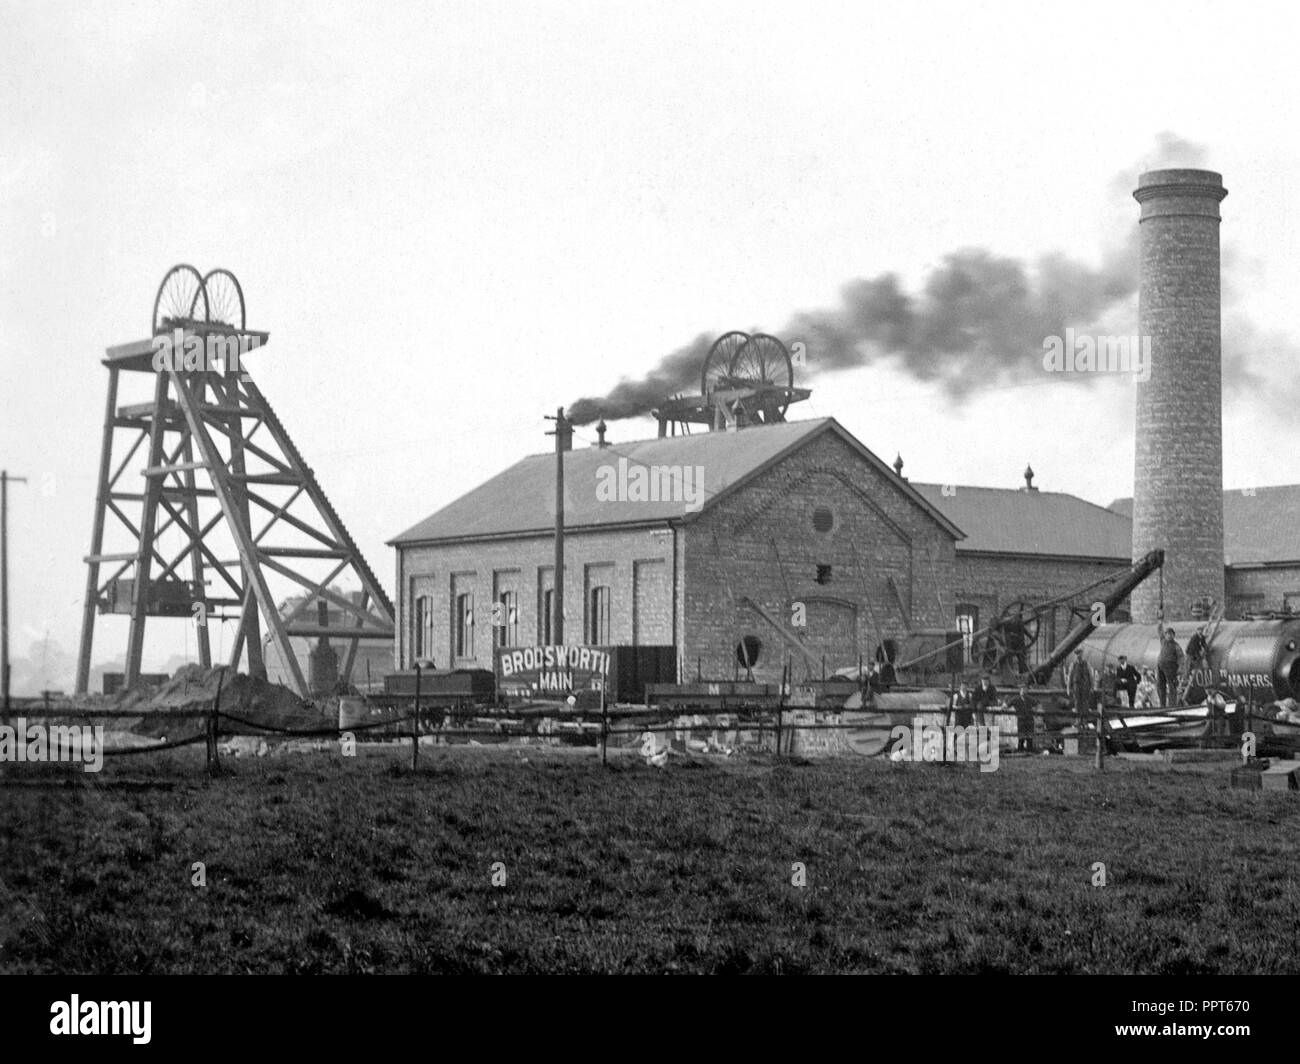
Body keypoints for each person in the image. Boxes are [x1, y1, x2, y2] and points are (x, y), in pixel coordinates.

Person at [1157, 627, 1184, 707]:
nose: (1168, 635)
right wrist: (1160, 622)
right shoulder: (1163, 642)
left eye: (1170, 634)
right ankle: (1162, 705)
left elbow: (1181, 657)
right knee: (1161, 686)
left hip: (1171, 668)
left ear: (1173, 635)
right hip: (1161, 667)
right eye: (1167, 634)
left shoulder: (1176, 646)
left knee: (1172, 687)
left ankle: (1172, 705)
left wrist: (1180, 668)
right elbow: (1160, 632)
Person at [1067, 649, 1094, 726]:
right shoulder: (1073, 665)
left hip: (1085, 686)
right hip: (1076, 686)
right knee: (1077, 702)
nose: (1078, 656)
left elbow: (1091, 676)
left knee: (1085, 702)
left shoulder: (1087, 664)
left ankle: (1085, 719)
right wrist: (1068, 688)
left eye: (1080, 654)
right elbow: (1070, 676)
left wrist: (1092, 687)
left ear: (1082, 654)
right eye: (1077, 654)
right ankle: (1078, 719)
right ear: (1075, 655)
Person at [1007, 683, 1037, 752]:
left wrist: (1035, 710)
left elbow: (1037, 705)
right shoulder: (1016, 699)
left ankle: (1029, 749)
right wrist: (1004, 706)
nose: (1023, 691)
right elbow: (1007, 704)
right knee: (1021, 735)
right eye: (1022, 689)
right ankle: (1020, 749)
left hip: (1029, 719)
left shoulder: (1030, 699)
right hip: (1021, 719)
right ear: (1020, 690)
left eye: (1025, 689)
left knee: (1030, 735)